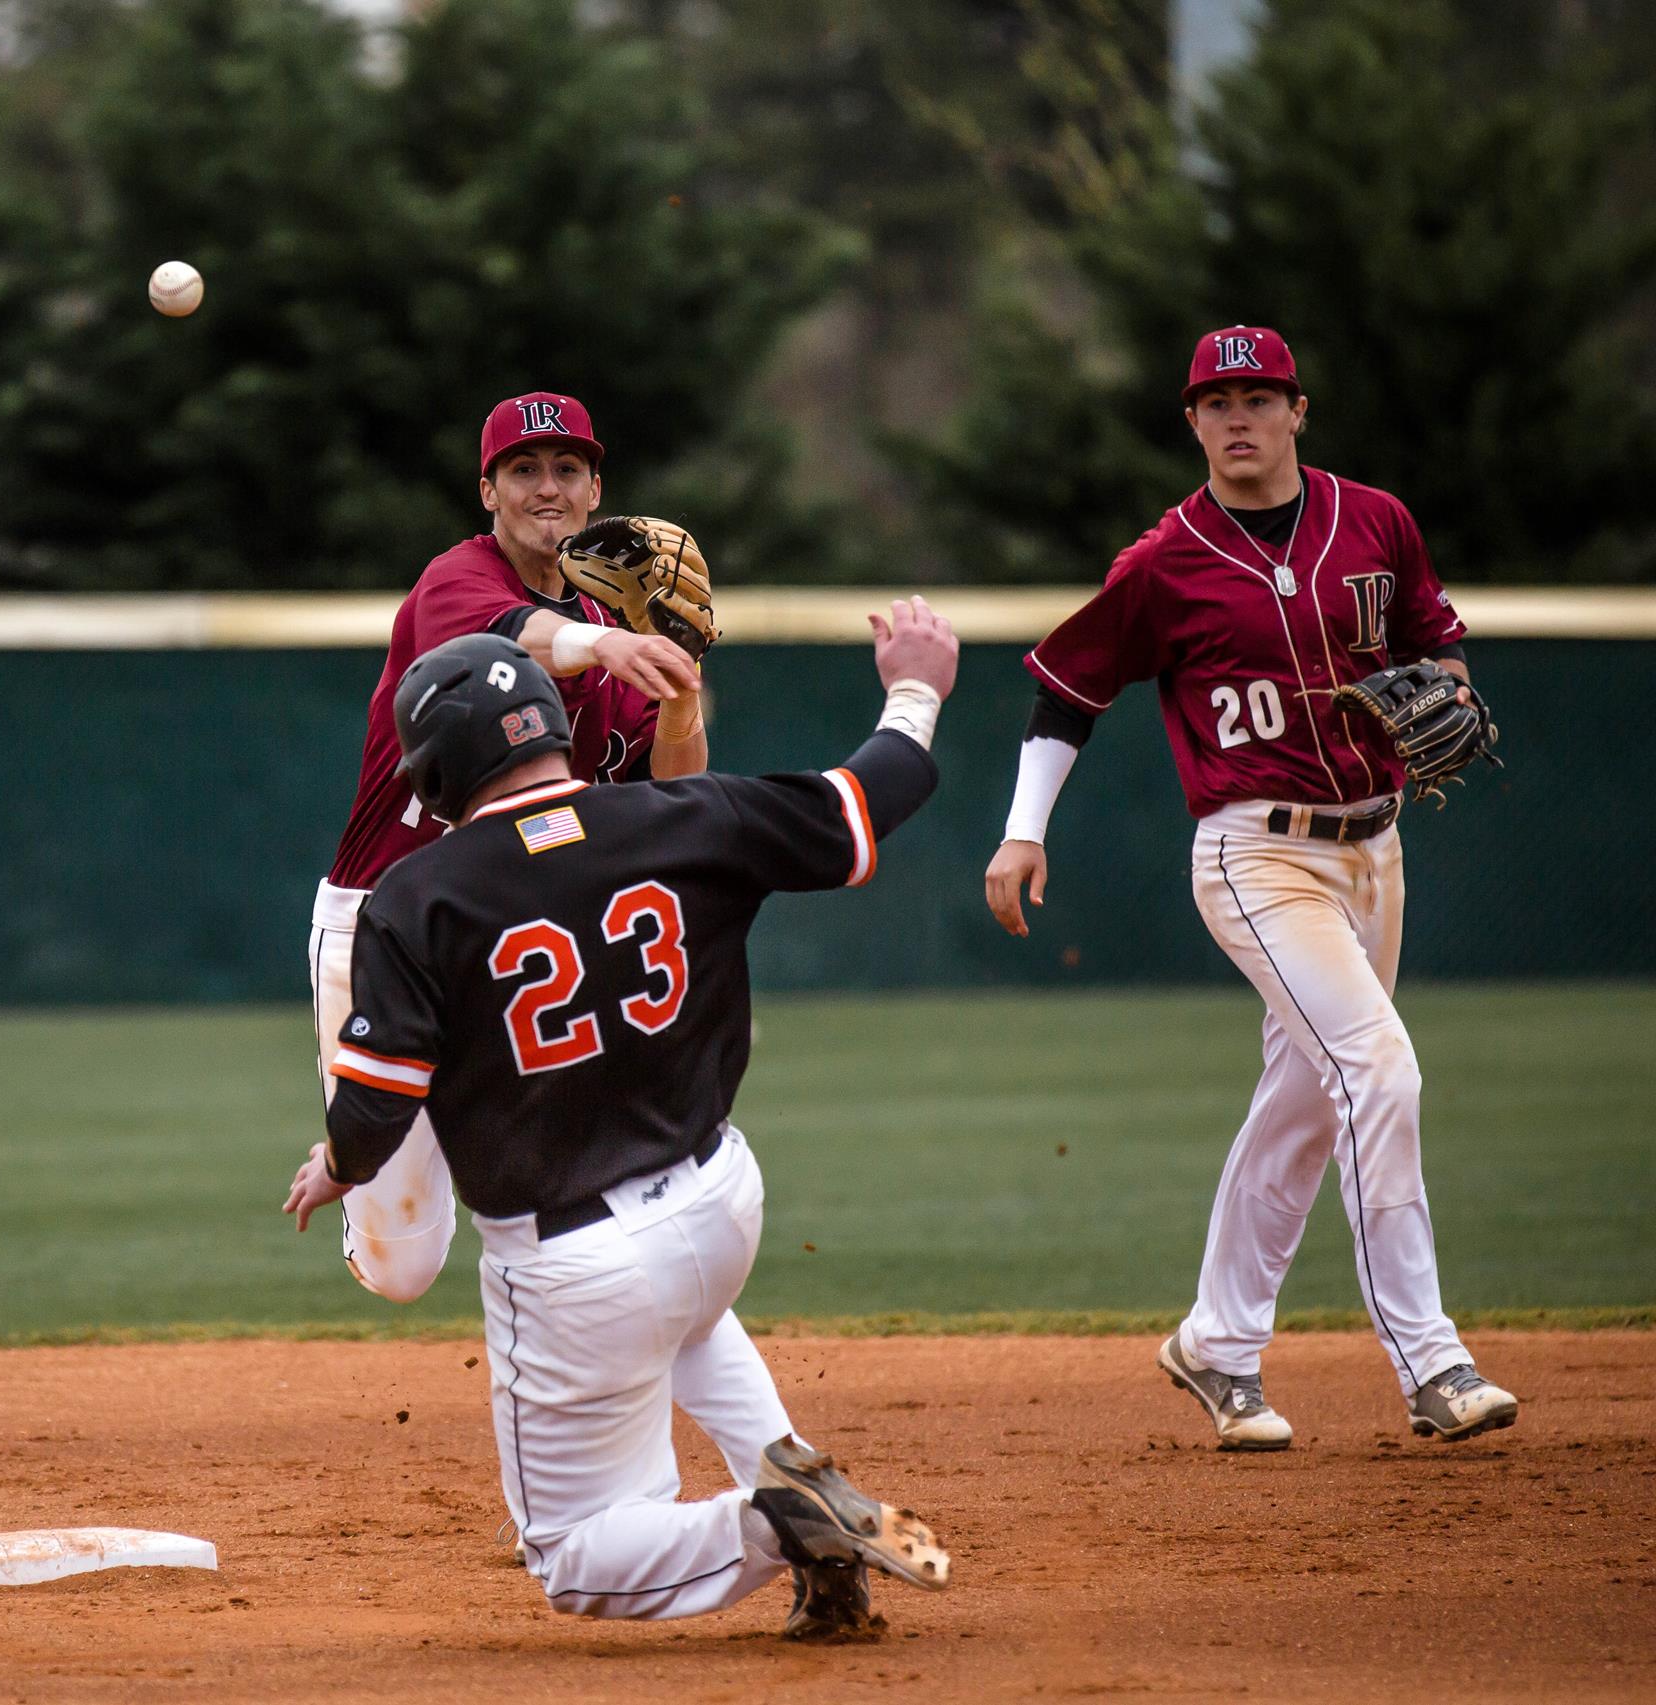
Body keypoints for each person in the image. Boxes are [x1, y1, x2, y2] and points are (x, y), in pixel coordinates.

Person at [284, 599, 959, 1638]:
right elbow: (870, 800)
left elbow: (377, 1103)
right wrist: (913, 690)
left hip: (574, 1268)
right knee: (688, 1319)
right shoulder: (688, 811)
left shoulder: (416, 896)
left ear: (430, 775)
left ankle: (784, 1523)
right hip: (719, 1202)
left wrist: (336, 1160)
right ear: (554, 728)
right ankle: (802, 1499)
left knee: (572, 1559)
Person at [983, 325, 1518, 1449]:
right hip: (1252, 852)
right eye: (1214, 399)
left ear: (1295, 409)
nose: (1236, 414)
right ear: (1190, 421)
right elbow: (1069, 690)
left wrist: (1451, 687)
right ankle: (1430, 1361)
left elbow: (1434, 637)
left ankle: (1216, 1345)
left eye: (1257, 395)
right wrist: (1020, 831)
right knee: (1374, 1069)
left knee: (1305, 1099)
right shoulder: (1163, 559)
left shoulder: (1373, 519)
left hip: (1375, 848)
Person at [310, 392, 705, 1305]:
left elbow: (672, 790)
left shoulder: (620, 634)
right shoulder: (457, 579)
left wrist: (681, 690)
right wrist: (607, 641)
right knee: (403, 1268)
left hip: (523, 936)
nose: (546, 488)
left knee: (588, 1178)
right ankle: (380, 1188)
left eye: (567, 469)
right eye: (523, 470)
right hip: (384, 925)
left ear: (596, 487)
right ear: (487, 491)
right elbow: (519, 642)